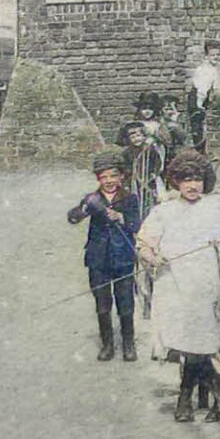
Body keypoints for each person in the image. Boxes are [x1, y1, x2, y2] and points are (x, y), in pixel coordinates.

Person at [136, 149, 220, 424]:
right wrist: (153, 257)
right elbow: (144, 245)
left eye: (198, 179)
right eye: (186, 180)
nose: (192, 186)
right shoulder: (163, 212)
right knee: (184, 342)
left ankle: (188, 398)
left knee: (198, 343)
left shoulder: (214, 209)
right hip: (174, 286)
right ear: (176, 182)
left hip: (204, 287)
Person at [68, 150, 143, 361]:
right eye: (103, 177)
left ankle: (128, 344)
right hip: (98, 259)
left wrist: (121, 217)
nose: (109, 181)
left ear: (121, 176)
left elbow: (137, 225)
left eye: (113, 176)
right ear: (98, 179)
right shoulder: (92, 198)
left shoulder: (130, 198)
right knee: (102, 304)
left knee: (125, 304)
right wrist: (84, 208)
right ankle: (107, 344)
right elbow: (72, 217)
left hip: (123, 258)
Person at [186, 40, 220, 151]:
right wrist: (199, 106)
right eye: (212, 55)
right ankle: (200, 151)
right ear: (207, 56)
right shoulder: (203, 70)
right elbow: (202, 89)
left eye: (218, 54)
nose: (216, 57)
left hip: (208, 97)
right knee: (198, 126)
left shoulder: (219, 68)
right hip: (198, 98)